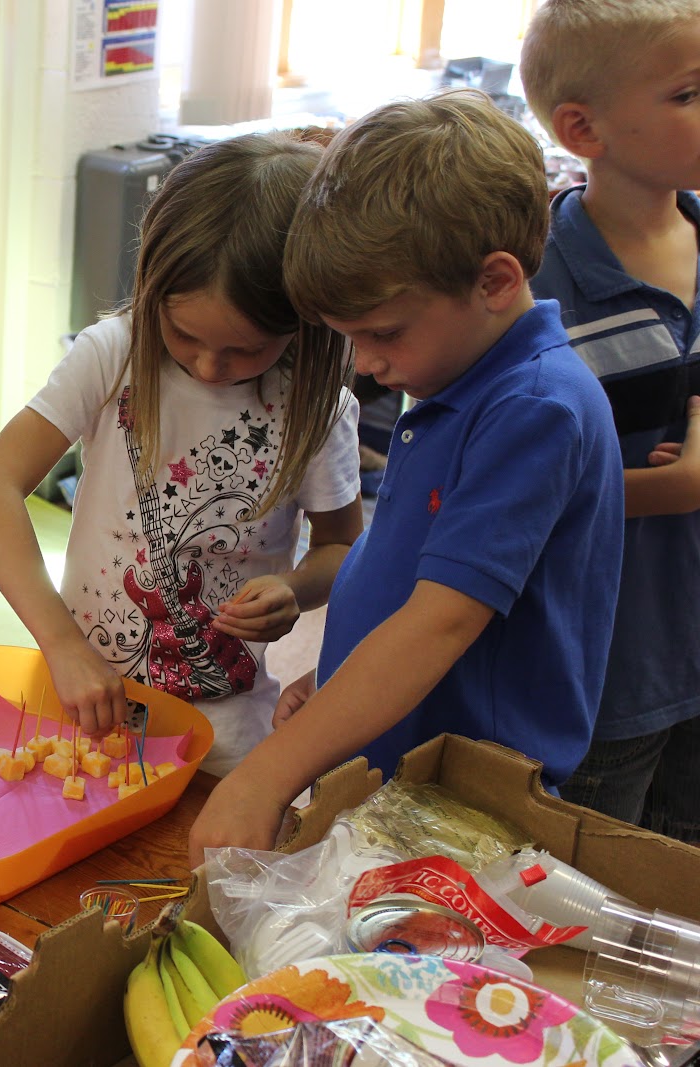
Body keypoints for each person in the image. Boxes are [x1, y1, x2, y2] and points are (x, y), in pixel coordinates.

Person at [188, 90, 625, 864]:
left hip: (469, 806)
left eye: (383, 332)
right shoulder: (460, 376)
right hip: (406, 777)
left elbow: (439, 622)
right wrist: (336, 675)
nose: (366, 363)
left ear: (494, 282)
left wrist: (267, 773)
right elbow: (401, 558)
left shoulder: (532, 408)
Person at [0, 131, 363, 777]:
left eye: (245, 349)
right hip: (83, 698)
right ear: (151, 285)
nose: (208, 365)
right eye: (183, 334)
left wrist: (294, 588)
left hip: (225, 724)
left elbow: (341, 549)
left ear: (301, 323)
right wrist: (61, 643)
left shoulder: (317, 406)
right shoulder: (112, 354)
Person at [521, 0, 700, 844]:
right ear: (582, 129)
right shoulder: (532, 289)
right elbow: (488, 495)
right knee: (588, 889)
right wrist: (666, 490)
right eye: (688, 93)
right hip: (605, 678)